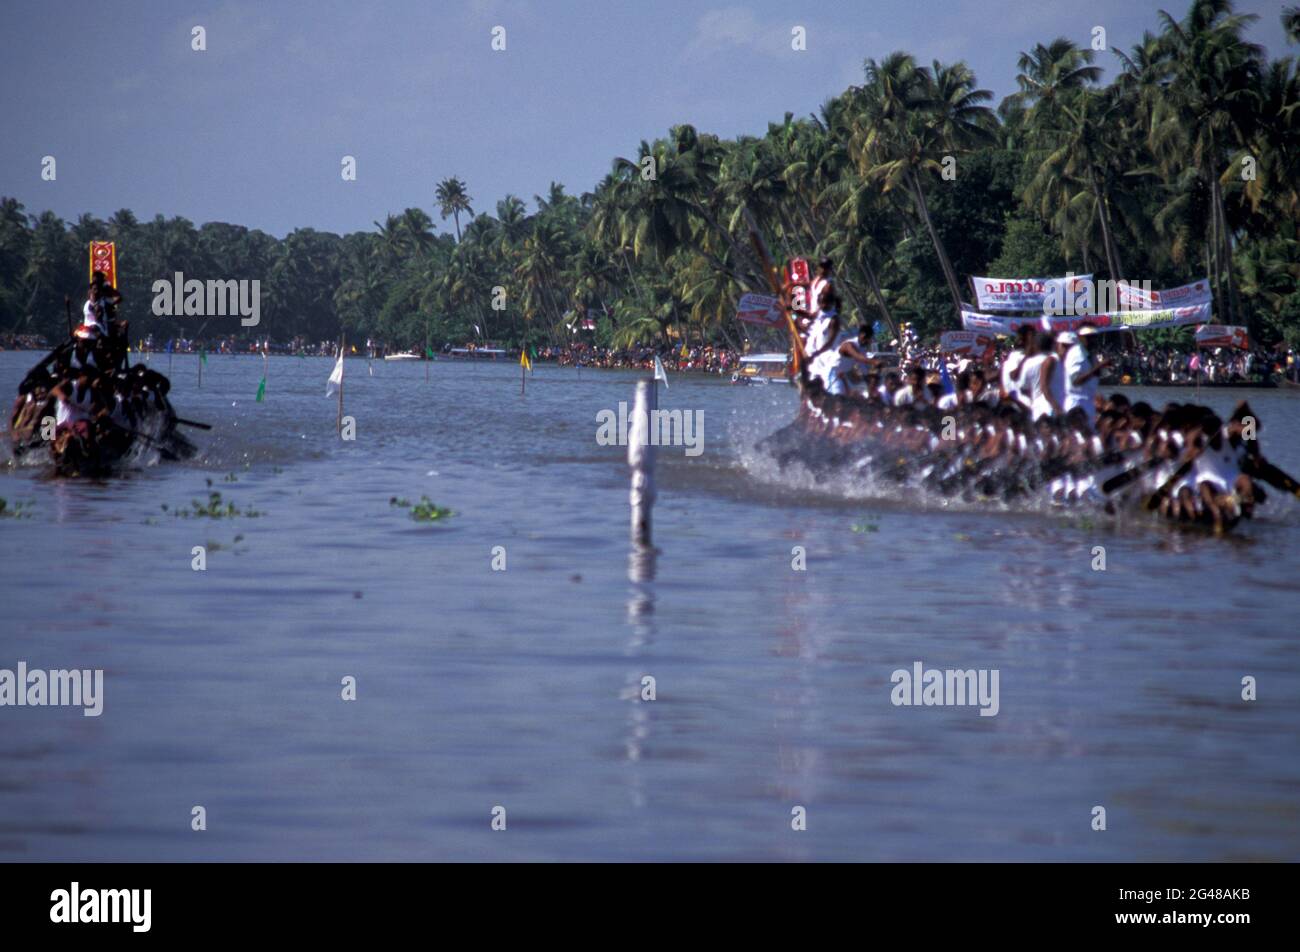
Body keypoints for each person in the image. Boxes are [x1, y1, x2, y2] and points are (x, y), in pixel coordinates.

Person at [1064, 324, 1109, 428]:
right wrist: (1098, 368)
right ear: (1080, 337)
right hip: (1076, 404)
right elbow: (1075, 381)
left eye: (1094, 337)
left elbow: (1093, 378)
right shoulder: (1076, 353)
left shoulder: (1090, 354)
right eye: (1088, 337)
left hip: (1088, 402)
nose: (1092, 340)